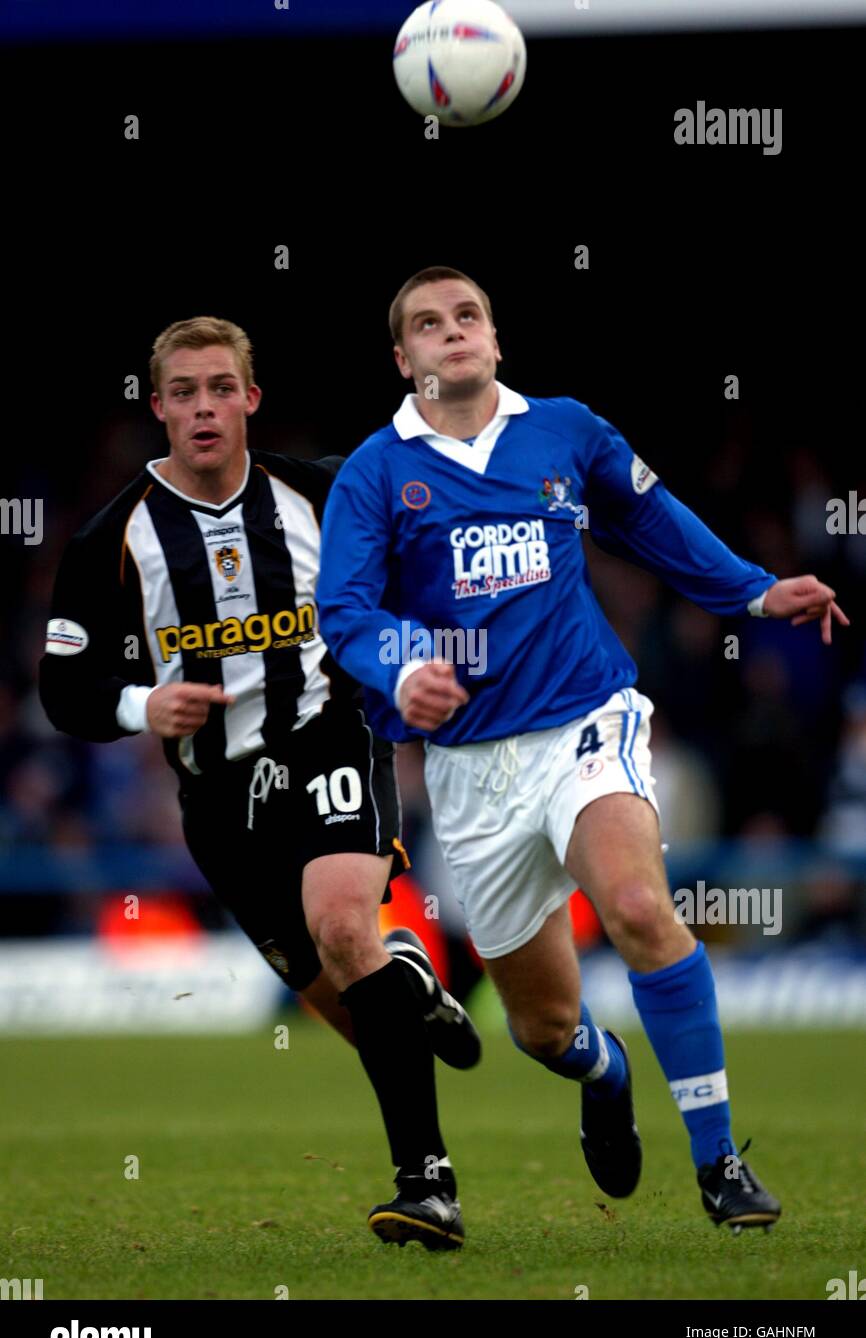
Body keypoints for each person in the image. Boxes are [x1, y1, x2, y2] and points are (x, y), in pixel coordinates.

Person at [317, 266, 850, 1243]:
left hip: (583, 720)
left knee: (642, 906)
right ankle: (602, 1072)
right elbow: (345, 610)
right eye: (427, 324)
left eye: (467, 315)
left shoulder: (563, 430)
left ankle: (719, 1162)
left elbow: (645, 517)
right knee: (541, 1028)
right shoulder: (374, 473)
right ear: (403, 358)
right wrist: (400, 670)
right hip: (470, 769)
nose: (452, 332)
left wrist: (751, 591)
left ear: (495, 338)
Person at [39, 315, 479, 1253]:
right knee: (352, 1005)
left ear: (251, 398)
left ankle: (427, 1186)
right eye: (185, 393)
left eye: (220, 389)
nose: (205, 408)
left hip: (330, 739)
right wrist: (138, 708)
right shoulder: (110, 540)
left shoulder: (320, 493)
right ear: (157, 407)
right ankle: (409, 979)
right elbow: (63, 690)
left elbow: (413, 574)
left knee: (343, 923)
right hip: (217, 801)